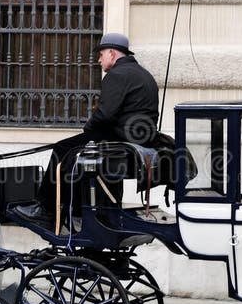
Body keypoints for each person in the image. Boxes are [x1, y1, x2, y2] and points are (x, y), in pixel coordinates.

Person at [14, 32, 160, 226]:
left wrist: (88, 128)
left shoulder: (116, 75)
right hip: (140, 139)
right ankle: (75, 209)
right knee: (74, 151)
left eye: (101, 54)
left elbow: (105, 115)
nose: (99, 60)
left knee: (62, 149)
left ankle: (45, 210)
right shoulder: (144, 74)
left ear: (112, 53)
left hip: (121, 137)